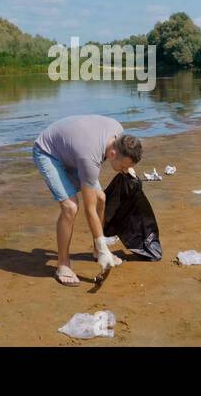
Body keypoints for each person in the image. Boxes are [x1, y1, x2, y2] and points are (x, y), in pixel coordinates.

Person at [32, 114, 143, 286]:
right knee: (70, 207)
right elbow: (89, 210)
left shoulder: (119, 133)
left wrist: (127, 168)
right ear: (113, 153)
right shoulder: (89, 158)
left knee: (101, 198)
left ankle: (97, 252)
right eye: (124, 166)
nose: (124, 170)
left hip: (73, 150)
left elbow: (96, 197)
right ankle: (62, 264)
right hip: (48, 152)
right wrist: (103, 243)